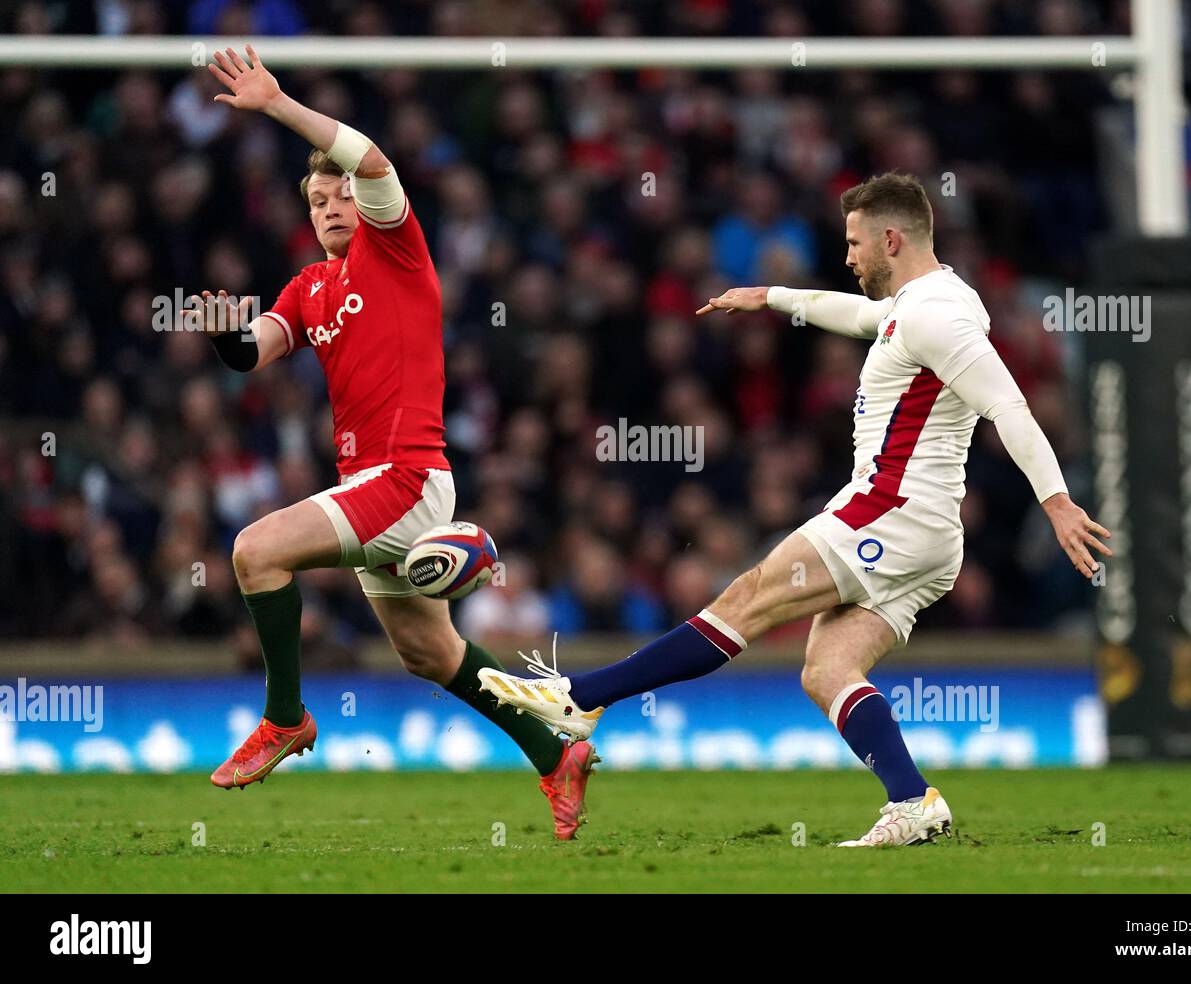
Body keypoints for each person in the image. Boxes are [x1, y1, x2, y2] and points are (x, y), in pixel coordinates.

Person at [479, 172, 1110, 847]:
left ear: (891, 239)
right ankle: (913, 801)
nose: (847, 257)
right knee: (828, 669)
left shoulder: (937, 314)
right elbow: (860, 315)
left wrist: (1057, 501)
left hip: (890, 512)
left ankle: (582, 698)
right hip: (926, 534)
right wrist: (773, 299)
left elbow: (1008, 403)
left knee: (749, 595)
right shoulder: (923, 303)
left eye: (854, 243)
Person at [187, 45, 596, 839]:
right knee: (431, 655)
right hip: (372, 486)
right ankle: (556, 755)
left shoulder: (397, 247)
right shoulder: (308, 287)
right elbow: (252, 352)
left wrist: (276, 105)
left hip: (404, 477)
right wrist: (219, 335)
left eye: (342, 191)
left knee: (253, 551)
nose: (334, 204)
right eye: (318, 198)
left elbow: (370, 156)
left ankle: (285, 718)